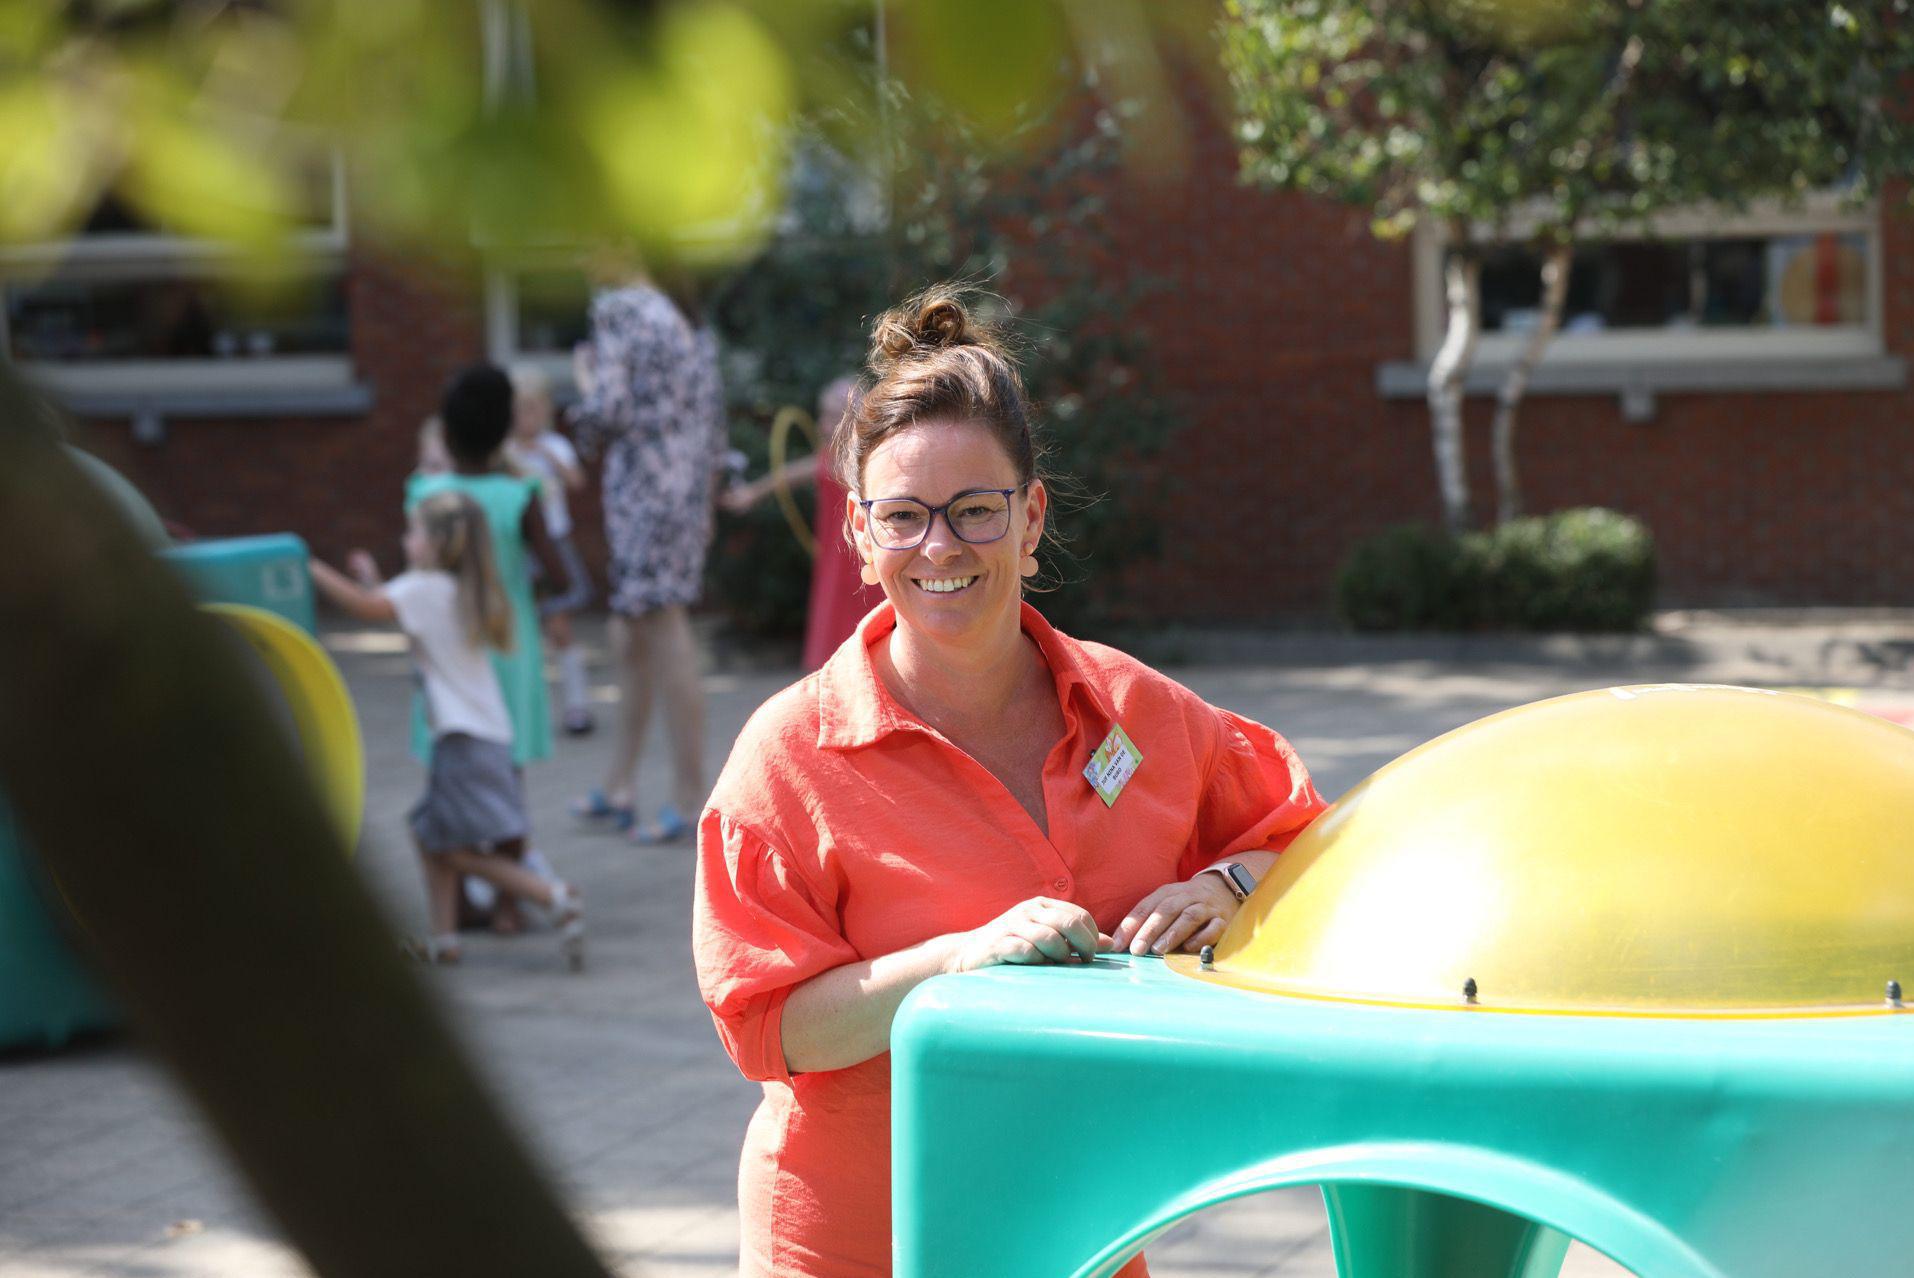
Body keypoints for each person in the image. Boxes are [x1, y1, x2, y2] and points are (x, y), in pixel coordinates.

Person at [692, 288, 1328, 1278]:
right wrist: (952, 965)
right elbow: (769, 1030)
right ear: (859, 536)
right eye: (902, 517)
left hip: (1085, 1230)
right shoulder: (789, 757)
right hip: (863, 1243)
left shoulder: (1140, 713)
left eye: (974, 511)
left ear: (1029, 519)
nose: (939, 547)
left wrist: (1223, 887)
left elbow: (1308, 840)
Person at [309, 491, 585, 970]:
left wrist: (308, 564)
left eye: (413, 529)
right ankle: (444, 941)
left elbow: (363, 608)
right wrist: (374, 581)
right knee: (429, 836)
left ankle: (550, 894)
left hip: (461, 739)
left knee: (451, 848)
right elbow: (386, 603)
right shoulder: (462, 586)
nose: (405, 537)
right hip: (486, 736)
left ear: (436, 541)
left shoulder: (423, 588)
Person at [567, 263, 728, 844]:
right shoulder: (682, 314)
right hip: (681, 494)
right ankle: (619, 786)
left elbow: (607, 410)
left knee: (660, 627)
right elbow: (713, 424)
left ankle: (690, 800)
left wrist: (583, 379)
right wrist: (704, 503)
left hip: (642, 492)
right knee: (631, 631)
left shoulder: (620, 308)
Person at [722, 375, 885, 671]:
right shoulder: (832, 458)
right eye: (824, 416)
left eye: (834, 417)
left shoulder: (872, 461)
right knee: (837, 639)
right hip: (836, 568)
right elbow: (790, 474)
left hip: (867, 567)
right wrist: (751, 494)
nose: (824, 425)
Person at [506, 365, 596, 736]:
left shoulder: (554, 446)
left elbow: (577, 481)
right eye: (519, 410)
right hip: (517, 546)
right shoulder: (505, 451)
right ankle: (524, 708)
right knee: (519, 629)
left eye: (533, 409)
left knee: (559, 626)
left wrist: (548, 456)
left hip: (553, 546)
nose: (526, 418)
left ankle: (577, 703)